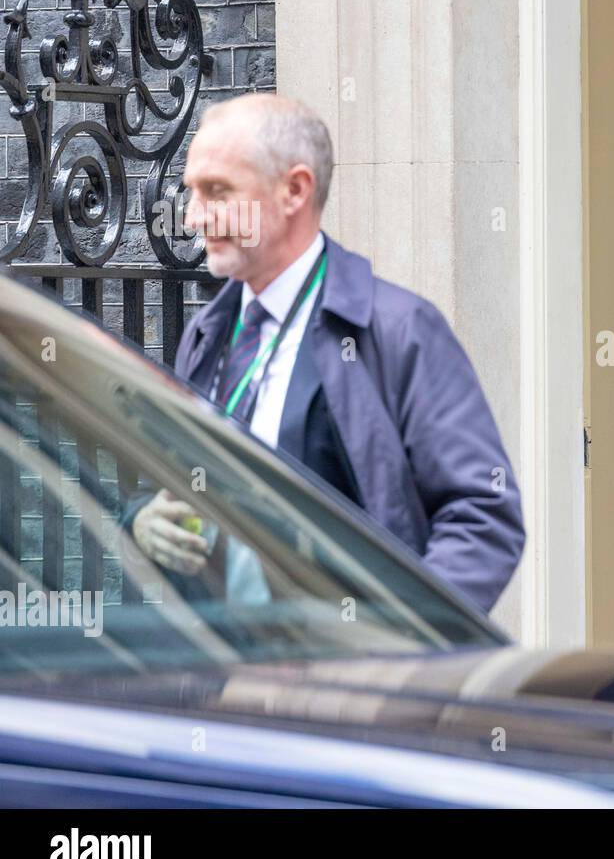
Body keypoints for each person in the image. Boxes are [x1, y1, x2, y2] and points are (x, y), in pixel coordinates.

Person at [128, 94, 524, 613]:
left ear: (294, 189)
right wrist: (140, 518)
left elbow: (483, 516)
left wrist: (402, 651)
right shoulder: (206, 334)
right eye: (191, 193)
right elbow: (172, 485)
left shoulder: (401, 330)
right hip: (223, 677)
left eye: (217, 191)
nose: (194, 217)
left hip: (350, 682)